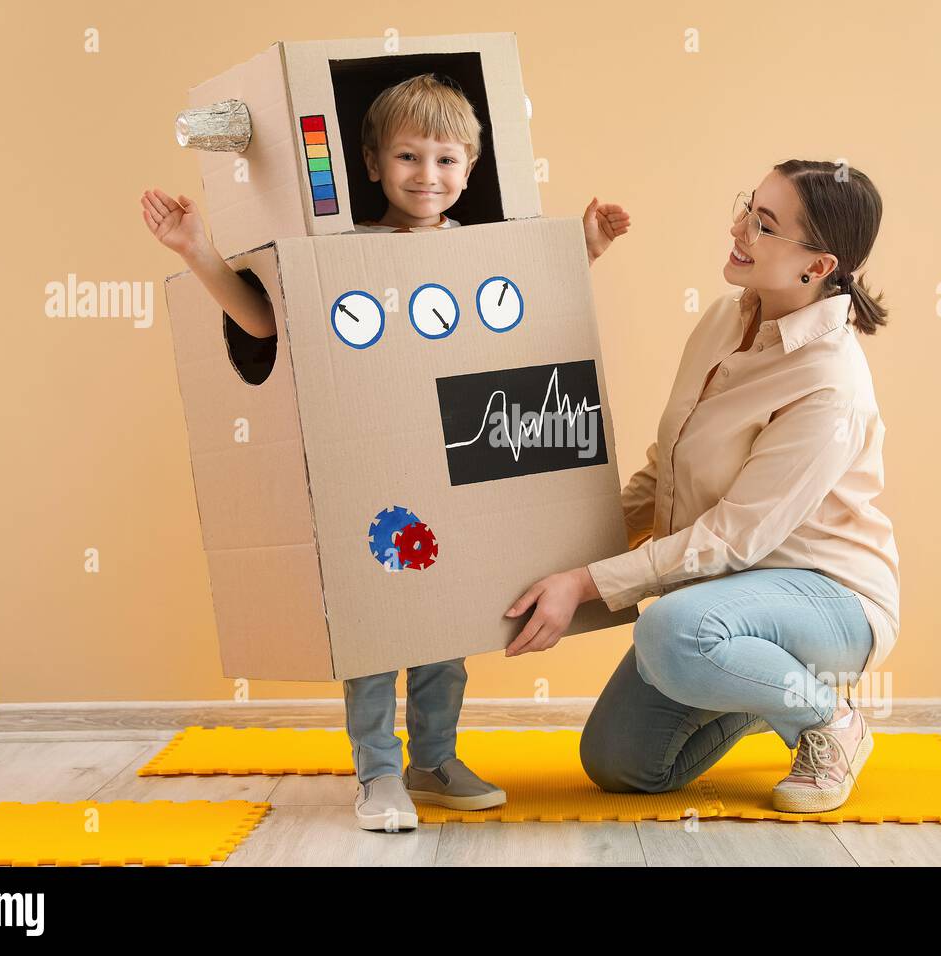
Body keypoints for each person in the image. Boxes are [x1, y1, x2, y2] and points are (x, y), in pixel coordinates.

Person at [141, 72, 631, 831]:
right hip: (375, 474)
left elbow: (536, 301)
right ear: (371, 163)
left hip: (456, 470)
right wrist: (198, 249)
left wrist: (589, 245)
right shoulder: (341, 251)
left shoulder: (481, 248)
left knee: (444, 632)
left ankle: (433, 759)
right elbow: (266, 322)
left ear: (469, 169)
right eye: (408, 158)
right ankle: (377, 775)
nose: (427, 176)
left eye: (445, 160)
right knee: (377, 629)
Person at [503, 159, 900, 814]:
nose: (738, 228)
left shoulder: (831, 384)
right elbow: (665, 474)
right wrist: (567, 552)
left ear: (818, 266)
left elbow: (733, 539)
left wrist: (588, 583)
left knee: (670, 634)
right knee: (620, 765)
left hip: (829, 596)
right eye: (749, 208)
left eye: (764, 225)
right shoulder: (722, 319)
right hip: (728, 599)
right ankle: (774, 687)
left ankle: (829, 720)